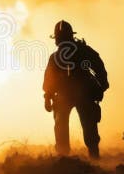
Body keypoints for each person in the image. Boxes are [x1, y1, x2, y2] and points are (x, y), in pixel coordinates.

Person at [43, 20, 109, 159]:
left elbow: (49, 80)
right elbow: (99, 67)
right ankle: (88, 159)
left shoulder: (56, 57)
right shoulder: (83, 52)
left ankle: (66, 160)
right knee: (85, 129)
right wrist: (102, 85)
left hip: (76, 94)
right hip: (78, 95)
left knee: (66, 127)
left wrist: (48, 97)